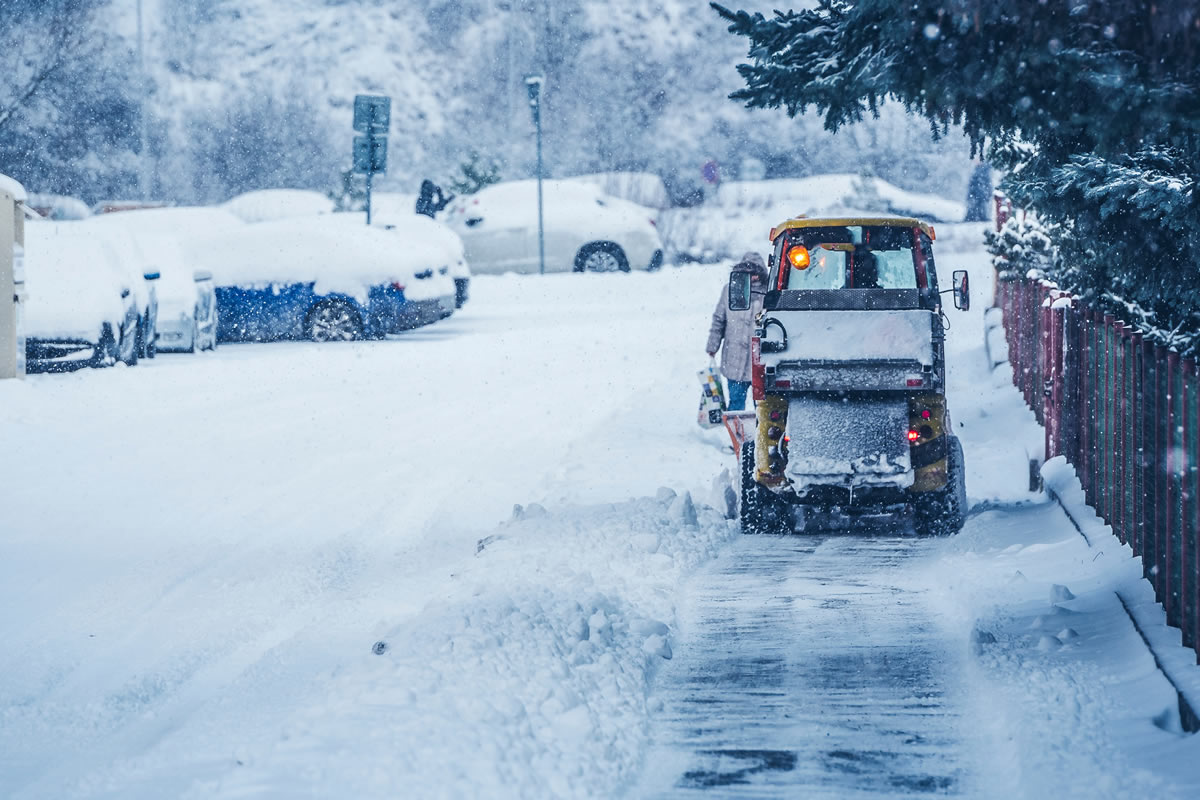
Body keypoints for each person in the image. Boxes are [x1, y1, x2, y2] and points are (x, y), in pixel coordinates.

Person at [706, 252, 768, 411]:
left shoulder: (768, 293)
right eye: (747, 272)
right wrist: (713, 345)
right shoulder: (730, 291)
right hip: (734, 358)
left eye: (755, 272)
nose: (752, 277)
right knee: (736, 402)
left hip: (760, 361)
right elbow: (719, 319)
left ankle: (758, 428)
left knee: (762, 407)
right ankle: (735, 427)